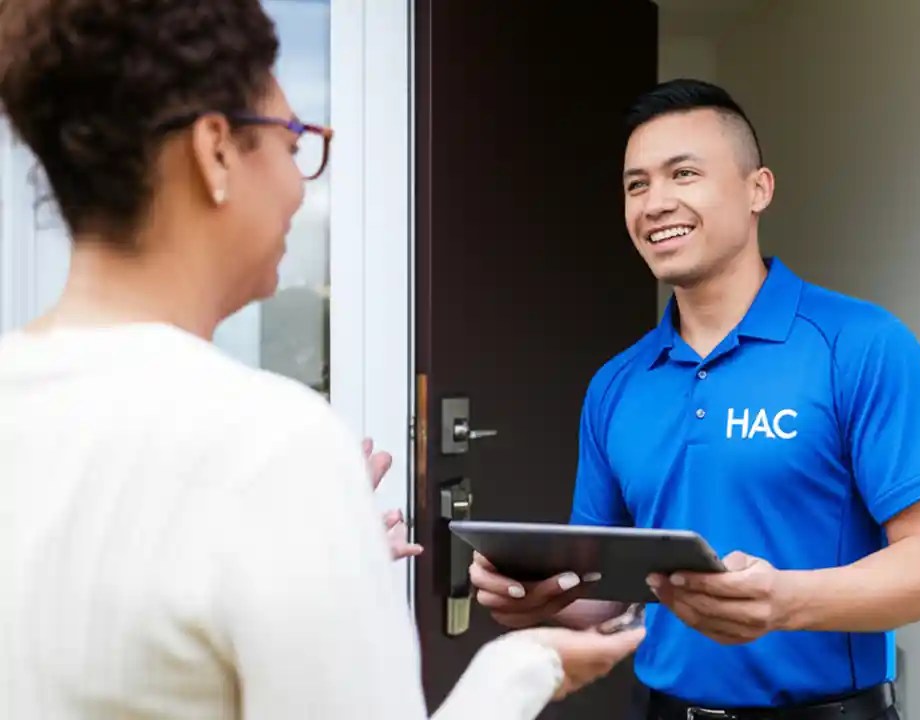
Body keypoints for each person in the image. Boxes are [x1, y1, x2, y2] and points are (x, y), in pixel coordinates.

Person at [0, 2, 641, 719]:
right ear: (215, 151)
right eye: (295, 139)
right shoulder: (271, 449)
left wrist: (323, 563)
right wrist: (527, 664)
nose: (302, 185)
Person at [469, 79, 920, 720]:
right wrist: (537, 593)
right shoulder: (617, 384)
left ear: (758, 188)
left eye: (683, 174)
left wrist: (782, 601)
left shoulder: (861, 345)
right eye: (636, 184)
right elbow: (605, 590)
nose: (656, 203)